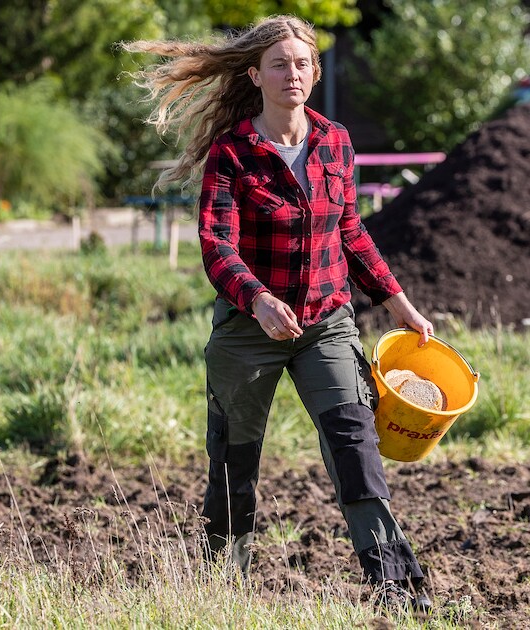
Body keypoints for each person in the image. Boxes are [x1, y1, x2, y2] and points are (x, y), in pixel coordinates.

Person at [125, 15, 435, 611]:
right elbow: (217, 245)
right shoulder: (233, 153)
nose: (291, 73)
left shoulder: (335, 142)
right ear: (255, 74)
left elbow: (350, 230)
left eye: (300, 63)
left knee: (355, 444)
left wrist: (396, 301)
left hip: (325, 322)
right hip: (249, 331)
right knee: (234, 460)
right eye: (278, 64)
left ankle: (394, 585)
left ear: (315, 73)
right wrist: (259, 300)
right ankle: (225, 582)